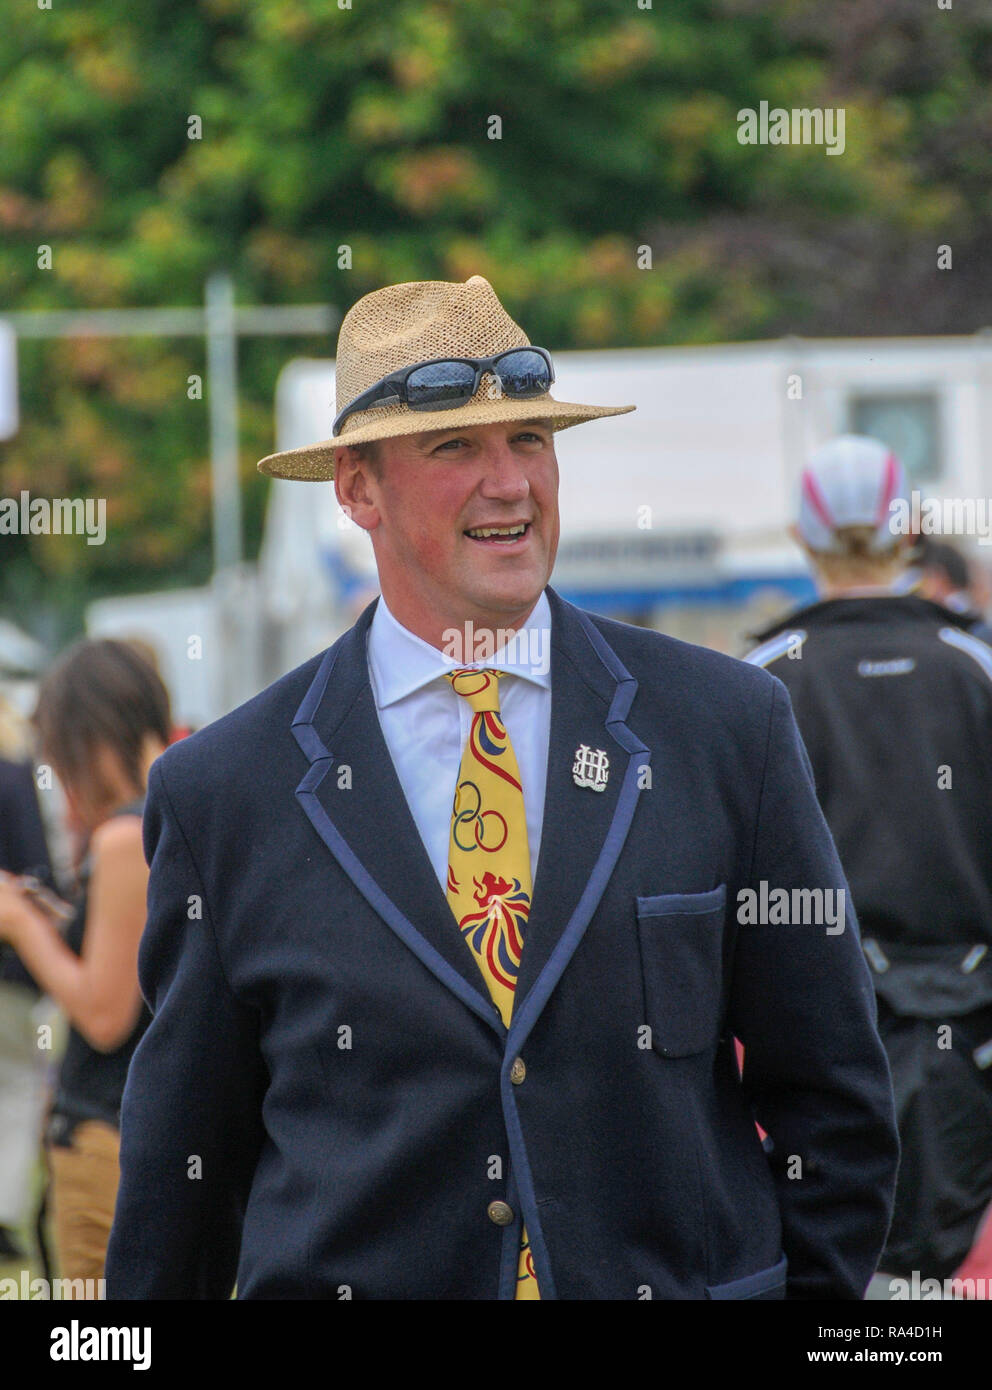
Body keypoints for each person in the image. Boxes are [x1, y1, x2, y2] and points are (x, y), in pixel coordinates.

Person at [106, 275, 898, 1301]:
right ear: (357, 488)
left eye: (529, 440)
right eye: (455, 448)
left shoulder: (725, 727)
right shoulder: (224, 793)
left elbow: (833, 1102)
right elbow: (180, 1186)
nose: (510, 482)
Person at [746, 434, 992, 1288]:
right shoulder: (974, 668)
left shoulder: (762, 682)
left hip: (809, 1051)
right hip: (969, 1039)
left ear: (799, 534)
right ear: (910, 532)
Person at [0, 639, 171, 1289]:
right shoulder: (162, 820)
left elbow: (103, 1012)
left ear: (91, 742)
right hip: (131, 1135)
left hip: (103, 1138)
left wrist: (19, 925)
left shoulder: (124, 839)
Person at [0, 699, 55, 1263]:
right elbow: (38, 869)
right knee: (16, 1085)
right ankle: (4, 1210)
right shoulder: (15, 776)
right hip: (11, 965)